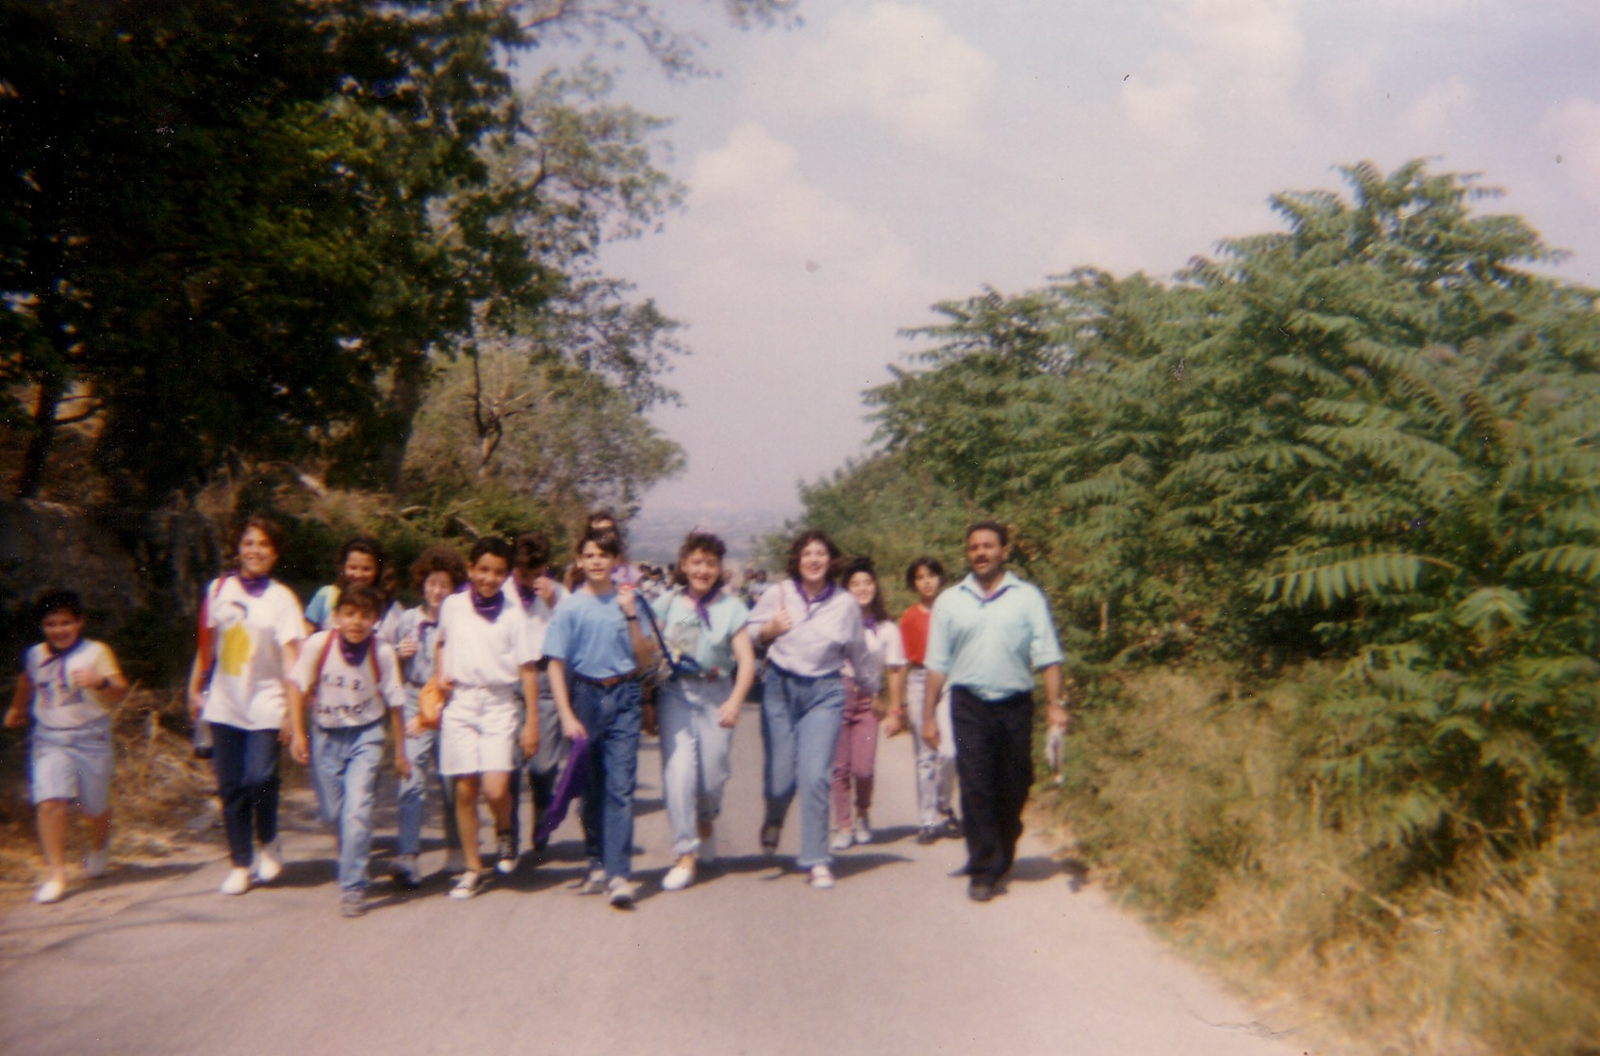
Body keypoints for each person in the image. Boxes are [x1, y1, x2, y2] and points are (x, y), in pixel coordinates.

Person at [922, 521, 1067, 903]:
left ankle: (1002, 846)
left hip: (1016, 703)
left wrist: (1056, 706)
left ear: (1004, 550)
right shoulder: (950, 600)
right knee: (977, 784)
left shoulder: (1028, 597)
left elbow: (1049, 657)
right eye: (974, 548)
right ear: (967, 554)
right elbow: (936, 663)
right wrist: (926, 716)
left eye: (988, 546)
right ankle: (984, 867)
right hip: (968, 702)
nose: (981, 553)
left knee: (1015, 784)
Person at [746, 530, 877, 890]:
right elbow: (750, 631)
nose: (814, 559)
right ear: (797, 560)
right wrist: (770, 628)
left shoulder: (845, 603)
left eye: (821, 553)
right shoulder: (779, 593)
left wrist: (875, 691)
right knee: (780, 780)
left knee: (815, 775)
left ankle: (817, 858)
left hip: (825, 692)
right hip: (779, 689)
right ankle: (774, 817)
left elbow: (858, 652)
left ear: (831, 561)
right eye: (807, 553)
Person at [187, 516, 305, 896]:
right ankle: (241, 863)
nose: (254, 550)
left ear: (274, 554)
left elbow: (293, 661)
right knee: (231, 786)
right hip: (224, 701)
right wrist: (194, 688)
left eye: (263, 545)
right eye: (248, 542)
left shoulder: (282, 599)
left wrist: (291, 713)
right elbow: (208, 646)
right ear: (238, 547)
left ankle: (268, 839)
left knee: (259, 777)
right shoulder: (218, 589)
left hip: (267, 701)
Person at [542, 526, 655, 907]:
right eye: (589, 555)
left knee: (620, 787)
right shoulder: (570, 607)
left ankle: (619, 873)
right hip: (585, 697)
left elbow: (643, 659)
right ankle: (595, 858)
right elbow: (556, 665)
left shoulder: (629, 602)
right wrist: (567, 714)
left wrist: (630, 617)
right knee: (591, 788)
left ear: (616, 562)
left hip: (624, 695)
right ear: (579, 560)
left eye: (603, 555)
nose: (596, 561)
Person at [286, 584, 409, 917]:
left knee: (357, 811)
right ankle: (352, 854)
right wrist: (298, 732)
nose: (356, 622)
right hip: (325, 735)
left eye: (365, 615)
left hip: (365, 735)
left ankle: (353, 887)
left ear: (376, 620)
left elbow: (396, 703)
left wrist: (401, 753)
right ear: (337, 617)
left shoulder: (381, 652)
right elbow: (297, 688)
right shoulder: (318, 645)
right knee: (333, 814)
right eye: (349, 613)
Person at [5, 591, 129, 905]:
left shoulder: (96, 652)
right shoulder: (35, 654)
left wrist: (99, 681)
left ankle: (99, 846)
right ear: (42, 626)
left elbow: (119, 691)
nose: (59, 630)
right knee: (50, 802)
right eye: (51, 624)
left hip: (91, 737)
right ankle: (56, 874)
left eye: (66, 623)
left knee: (94, 808)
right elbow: (27, 682)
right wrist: (17, 710)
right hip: (50, 737)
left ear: (80, 622)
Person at [434, 537, 540, 899]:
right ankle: (472, 867)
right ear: (470, 569)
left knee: (496, 788)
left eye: (498, 572)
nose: (489, 578)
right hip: (461, 702)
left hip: (498, 704)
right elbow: (441, 642)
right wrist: (440, 674)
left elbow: (527, 669)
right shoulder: (452, 605)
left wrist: (531, 723)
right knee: (465, 788)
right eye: (483, 570)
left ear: (506, 575)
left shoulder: (514, 614)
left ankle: (505, 829)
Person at [653, 532, 757, 891]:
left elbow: (746, 659)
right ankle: (684, 853)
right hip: (676, 693)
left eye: (710, 563)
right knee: (679, 772)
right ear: (684, 565)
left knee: (711, 778)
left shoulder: (731, 609)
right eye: (696, 562)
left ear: (719, 568)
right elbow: (654, 654)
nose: (703, 570)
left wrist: (735, 701)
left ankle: (706, 819)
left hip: (716, 694)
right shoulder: (667, 604)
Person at [390, 546, 468, 887]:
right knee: (411, 777)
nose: (437, 592)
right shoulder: (406, 620)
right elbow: (387, 668)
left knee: (451, 778)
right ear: (422, 583)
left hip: (450, 701)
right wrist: (398, 654)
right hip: (413, 697)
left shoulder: (460, 621)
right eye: (432, 584)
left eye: (445, 586)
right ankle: (408, 856)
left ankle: (458, 848)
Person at [829, 557, 906, 850]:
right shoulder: (836, 622)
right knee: (840, 767)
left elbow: (896, 669)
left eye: (867, 583)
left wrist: (895, 709)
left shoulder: (886, 628)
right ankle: (844, 825)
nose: (862, 589)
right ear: (846, 590)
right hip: (837, 696)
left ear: (876, 586)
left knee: (864, 768)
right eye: (855, 584)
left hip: (868, 702)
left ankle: (862, 813)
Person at [503, 530, 567, 857]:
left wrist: (554, 601)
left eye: (536, 573)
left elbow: (571, 631)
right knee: (509, 764)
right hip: (510, 679)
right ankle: (508, 836)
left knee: (543, 765)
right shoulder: (502, 594)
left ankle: (542, 809)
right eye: (523, 573)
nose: (529, 580)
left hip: (543, 679)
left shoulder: (558, 594)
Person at [900, 556, 961, 844]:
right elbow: (904, 662)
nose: (926, 581)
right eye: (920, 577)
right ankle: (927, 820)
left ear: (940, 578)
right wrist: (898, 703)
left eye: (931, 575)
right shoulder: (909, 617)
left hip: (948, 680)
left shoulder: (952, 611)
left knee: (950, 751)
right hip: (920, 680)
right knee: (925, 755)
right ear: (914, 583)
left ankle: (943, 802)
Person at [302, 535, 403, 644]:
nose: (358, 575)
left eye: (366, 569)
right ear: (343, 567)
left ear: (378, 570)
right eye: (353, 568)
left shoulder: (390, 607)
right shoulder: (326, 595)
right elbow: (306, 633)